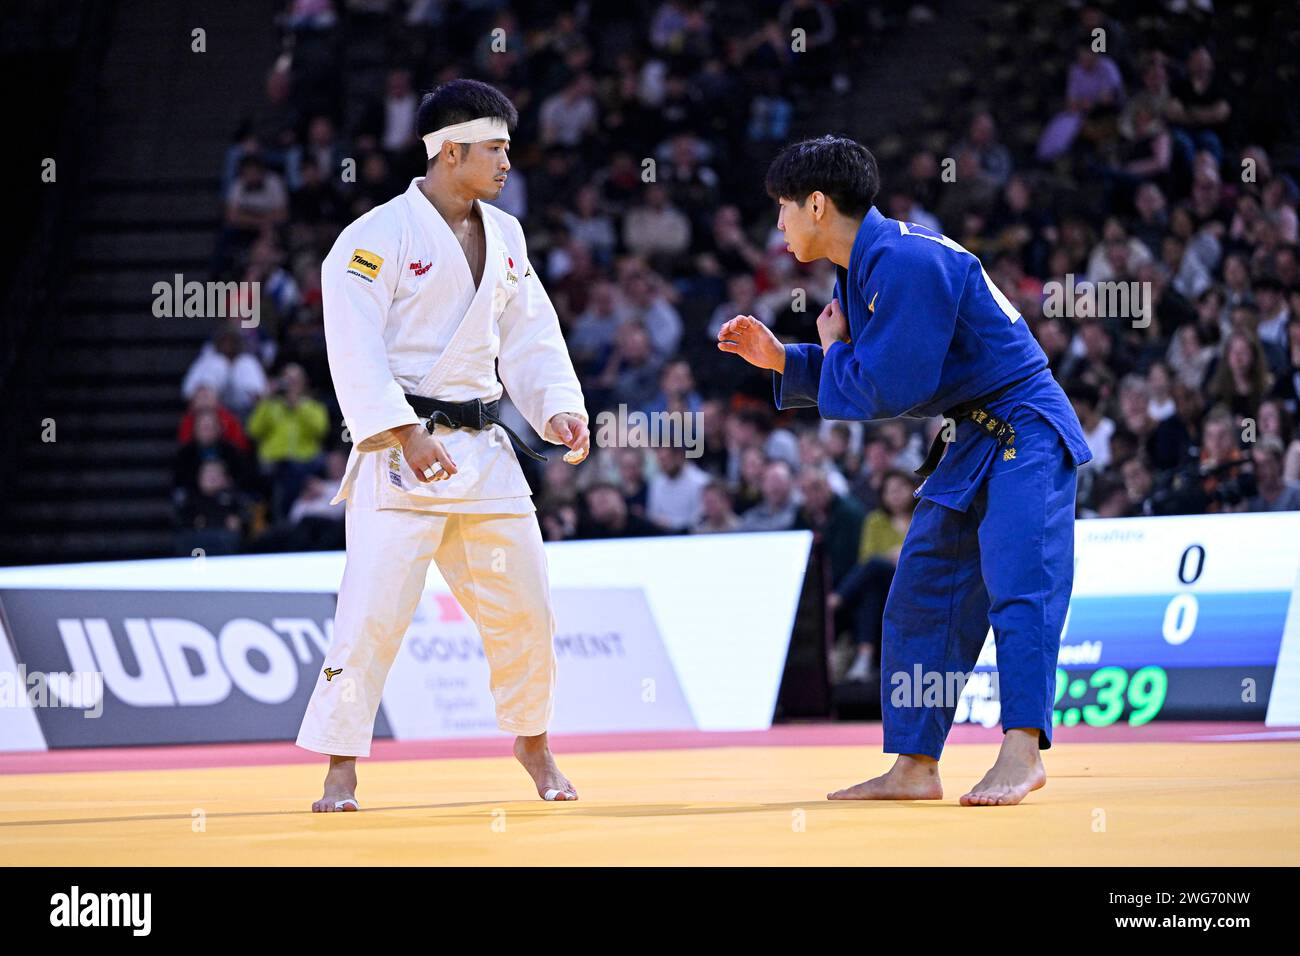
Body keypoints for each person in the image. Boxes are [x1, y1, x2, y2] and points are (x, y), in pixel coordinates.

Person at [718, 135, 1091, 806]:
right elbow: (871, 373)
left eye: (782, 208)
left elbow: (888, 387)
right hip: (971, 436)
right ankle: (915, 765)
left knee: (1019, 585)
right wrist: (784, 360)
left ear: (817, 204)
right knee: (921, 593)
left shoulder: (904, 261)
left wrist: (828, 351)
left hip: (1025, 428)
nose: (778, 225)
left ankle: (1022, 750)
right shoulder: (864, 267)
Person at [296, 80, 590, 810]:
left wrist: (558, 409)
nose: (506, 163)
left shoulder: (508, 235)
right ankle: (340, 766)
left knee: (527, 608)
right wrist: (401, 430)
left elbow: (529, 333)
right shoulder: (373, 237)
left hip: (484, 452)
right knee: (371, 615)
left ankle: (535, 746)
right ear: (449, 150)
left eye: (509, 149)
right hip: (401, 457)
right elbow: (352, 347)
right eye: (495, 148)